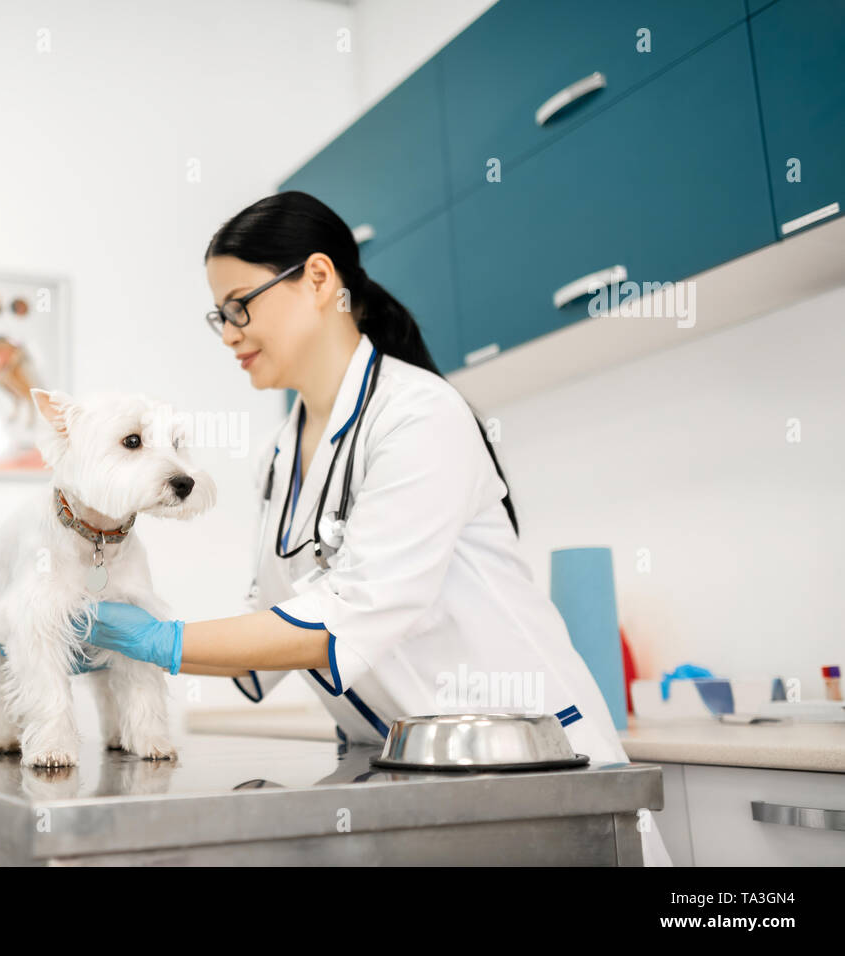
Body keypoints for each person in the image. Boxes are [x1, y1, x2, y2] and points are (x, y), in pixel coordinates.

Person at [79, 191, 672, 866]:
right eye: (220, 314)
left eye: (241, 305)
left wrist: (161, 641)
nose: (228, 334)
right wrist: (119, 633)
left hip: (528, 771)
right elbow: (271, 626)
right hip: (407, 776)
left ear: (320, 279)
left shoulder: (420, 416)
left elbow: (343, 617)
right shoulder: (280, 453)